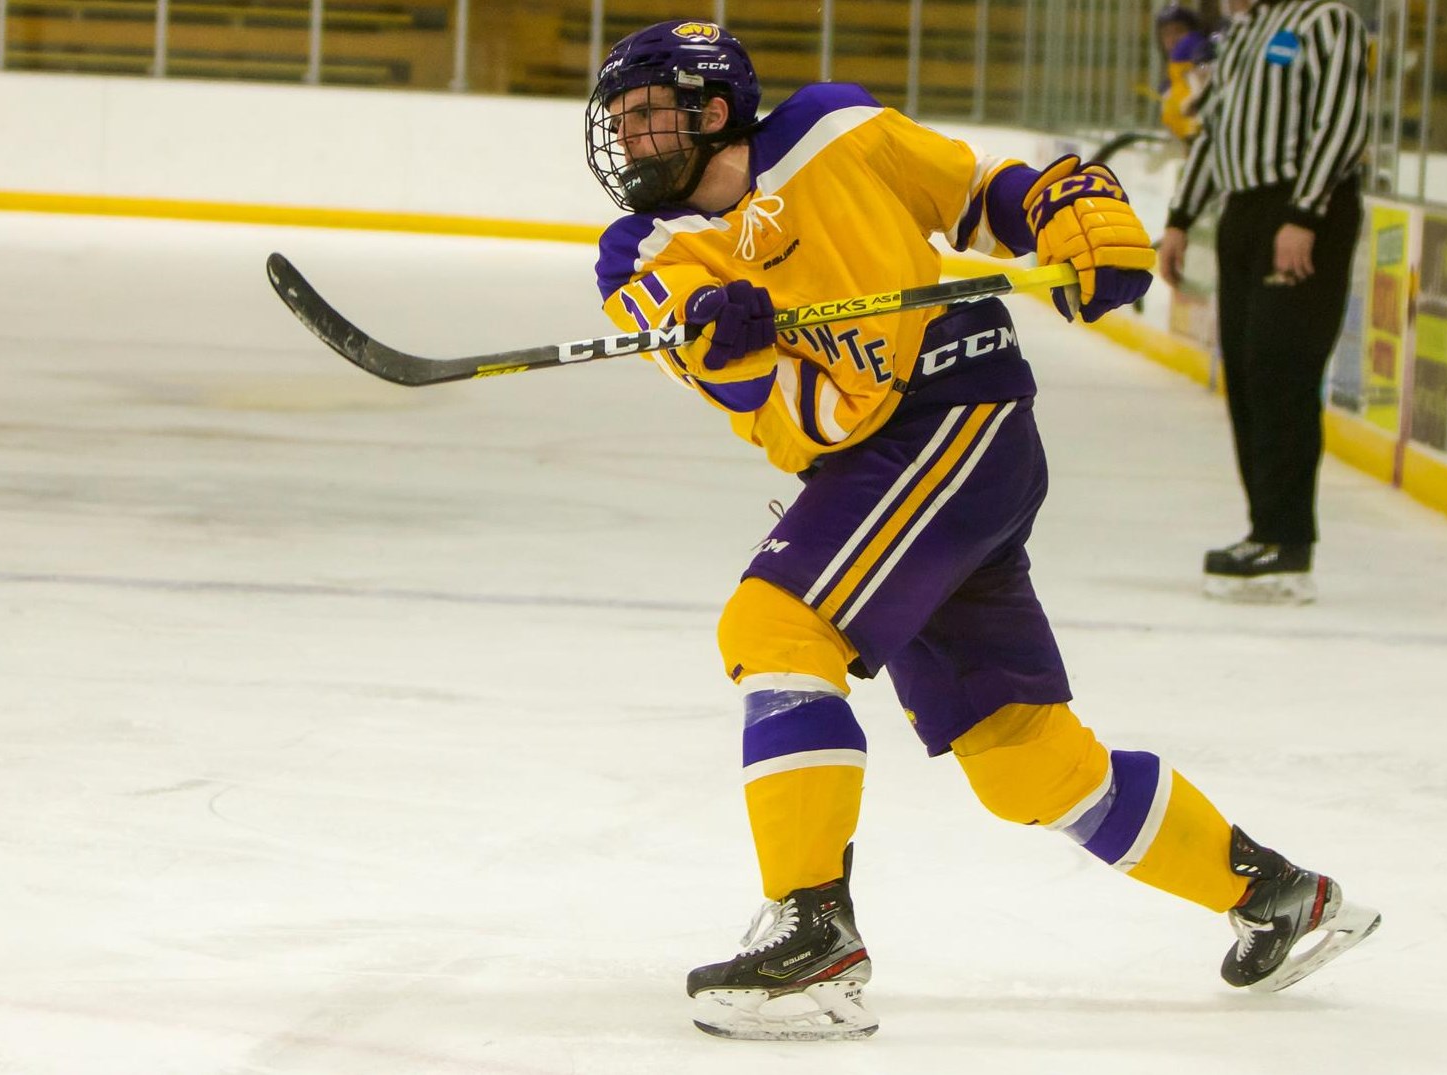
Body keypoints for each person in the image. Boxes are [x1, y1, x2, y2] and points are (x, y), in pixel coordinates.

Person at [586, 18, 1380, 1042]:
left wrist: (1064, 209)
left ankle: (813, 931)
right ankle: (1274, 896)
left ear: (714, 109)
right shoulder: (637, 253)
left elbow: (974, 193)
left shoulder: (835, 129)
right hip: (868, 465)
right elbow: (741, 387)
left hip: (952, 414)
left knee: (776, 627)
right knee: (1022, 756)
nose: (629, 139)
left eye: (648, 115)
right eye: (619, 122)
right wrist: (729, 344)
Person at [1156, 0, 1371, 604]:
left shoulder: (1323, 21)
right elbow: (1214, 133)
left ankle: (1288, 539)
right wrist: (1180, 218)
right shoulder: (1241, 36)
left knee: (1283, 369)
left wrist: (1304, 213)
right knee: (1248, 372)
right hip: (1243, 213)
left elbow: (1342, 124)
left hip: (1302, 210)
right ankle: (1265, 531)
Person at [1157, 5, 1218, 142]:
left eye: (1179, 31)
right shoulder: (1168, 84)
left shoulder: (1205, 63)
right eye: (1166, 33)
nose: (1173, 39)